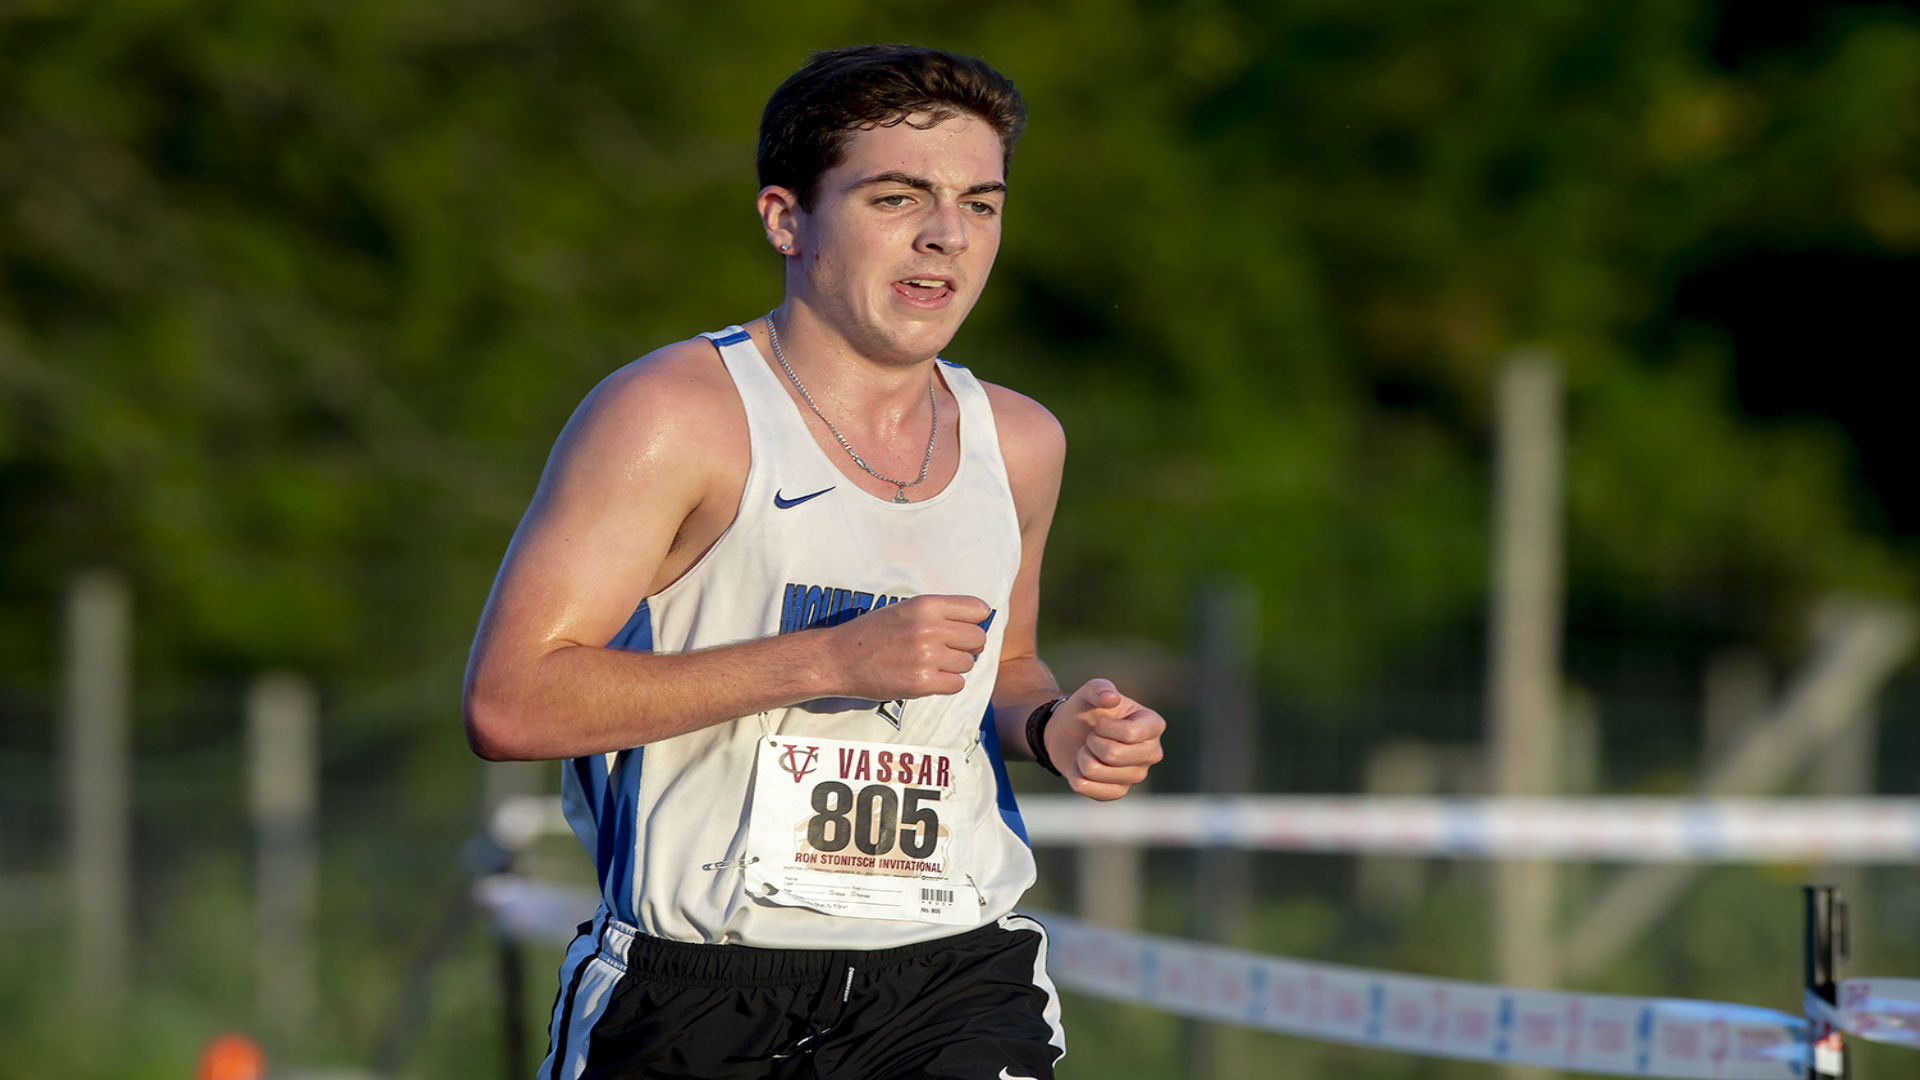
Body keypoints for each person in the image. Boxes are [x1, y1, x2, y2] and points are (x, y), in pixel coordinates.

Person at [463, 43, 1166, 1080]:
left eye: (981, 203)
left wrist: (1058, 726)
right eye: (897, 197)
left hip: (950, 979)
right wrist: (828, 662)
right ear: (787, 219)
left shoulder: (1020, 441)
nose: (945, 236)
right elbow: (511, 705)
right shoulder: (673, 417)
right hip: (695, 986)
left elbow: (1003, 671)